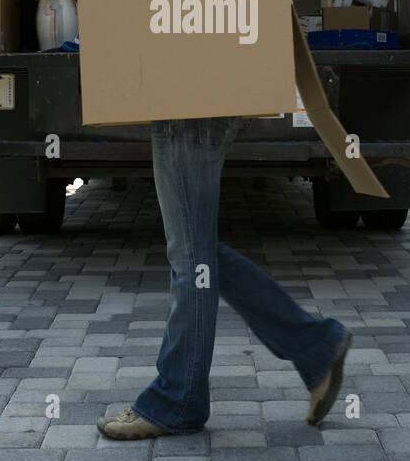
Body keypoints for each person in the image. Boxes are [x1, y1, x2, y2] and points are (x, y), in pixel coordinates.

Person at [97, 115, 352, 439]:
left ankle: (177, 400)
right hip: (196, 105)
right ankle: (315, 346)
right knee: (196, 250)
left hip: (186, 109)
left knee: (191, 254)